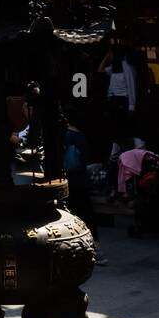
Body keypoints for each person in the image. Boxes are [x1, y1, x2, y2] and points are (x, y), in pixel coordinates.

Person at [64, 112, 107, 265]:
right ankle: (97, 247)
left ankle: (75, 250)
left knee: (71, 214)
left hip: (70, 179)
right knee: (87, 213)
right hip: (82, 180)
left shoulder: (66, 135)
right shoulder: (81, 136)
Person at [99, 45, 138, 159]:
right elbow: (100, 70)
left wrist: (131, 105)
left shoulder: (126, 66)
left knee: (121, 131)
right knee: (115, 131)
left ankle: (127, 155)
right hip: (114, 100)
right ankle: (117, 154)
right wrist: (106, 58)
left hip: (122, 100)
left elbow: (131, 86)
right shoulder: (115, 67)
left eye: (110, 53)